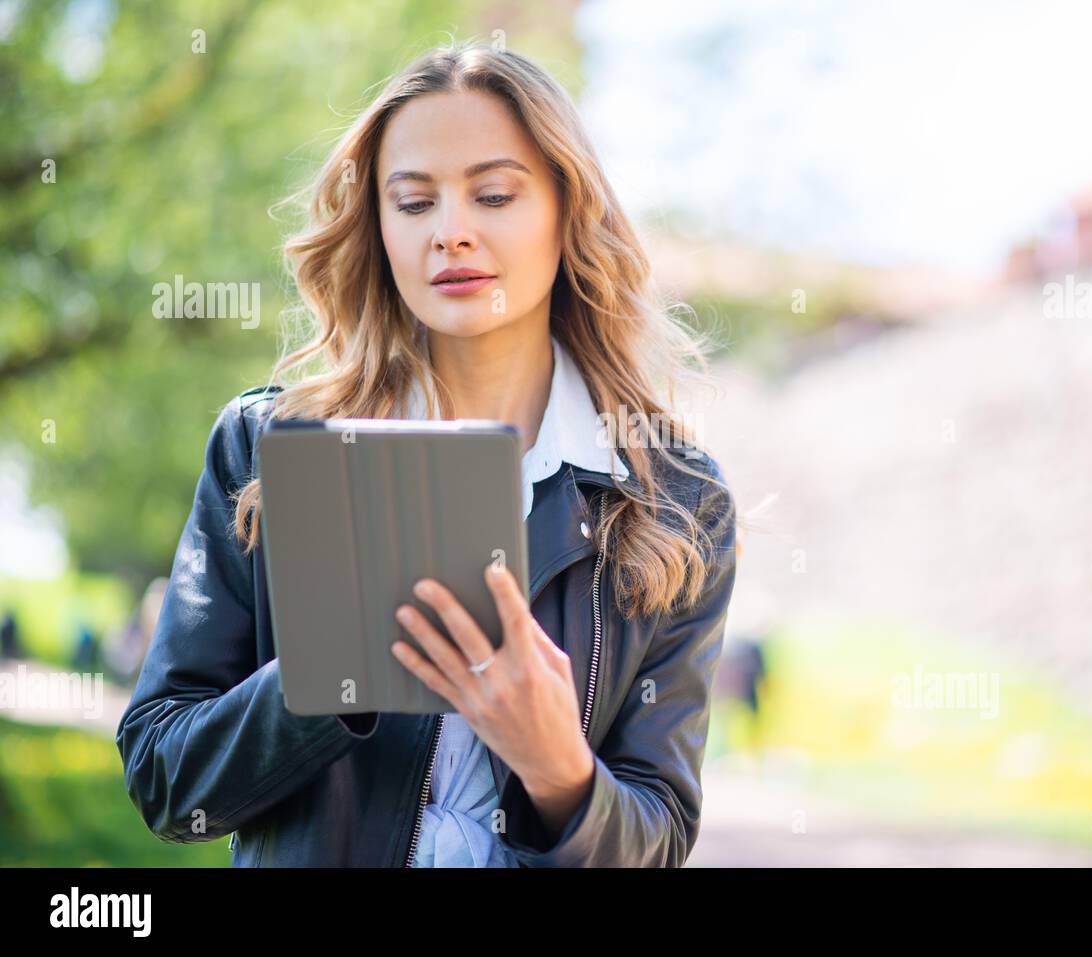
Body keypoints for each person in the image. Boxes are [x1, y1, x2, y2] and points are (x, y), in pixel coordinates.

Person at [115, 40, 739, 868]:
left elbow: (655, 838)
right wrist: (333, 677)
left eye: (492, 194)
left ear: (567, 209)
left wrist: (560, 769)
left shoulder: (678, 502)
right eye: (413, 203)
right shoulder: (266, 451)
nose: (451, 233)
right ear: (377, 225)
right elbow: (168, 783)